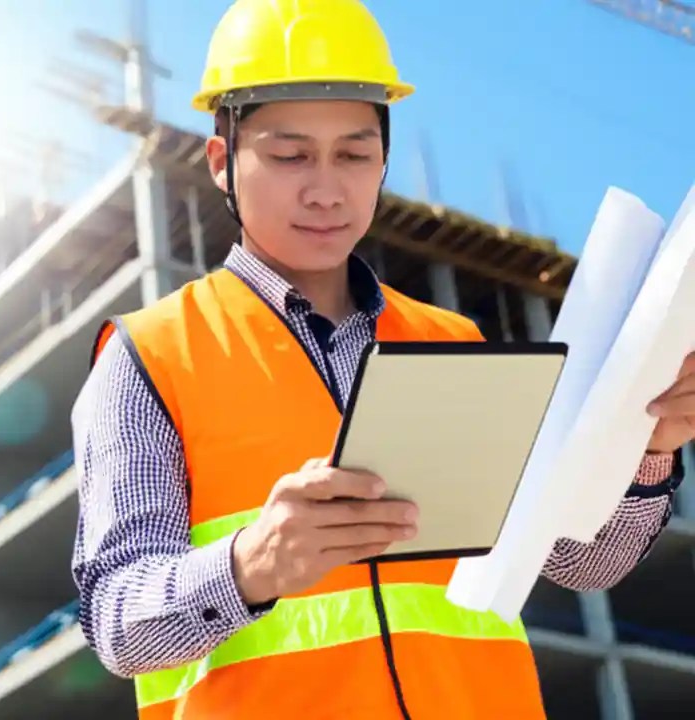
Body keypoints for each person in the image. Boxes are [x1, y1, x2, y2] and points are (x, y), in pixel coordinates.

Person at [69, 1, 694, 718]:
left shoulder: (455, 341)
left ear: (383, 160)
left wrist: (647, 449)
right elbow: (118, 623)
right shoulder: (151, 355)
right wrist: (249, 566)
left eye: (355, 154)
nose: (326, 189)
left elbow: (581, 561)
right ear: (222, 161)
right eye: (289, 155)